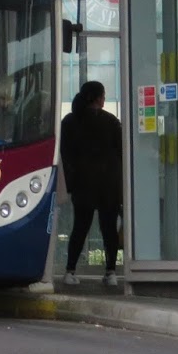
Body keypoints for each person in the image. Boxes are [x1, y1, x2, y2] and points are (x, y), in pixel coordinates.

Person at [59, 80, 123, 287]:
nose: (104, 100)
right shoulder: (111, 122)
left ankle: (70, 271)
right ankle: (111, 272)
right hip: (108, 185)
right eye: (103, 96)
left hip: (82, 184)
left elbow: (65, 154)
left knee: (80, 228)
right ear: (97, 98)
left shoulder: (69, 122)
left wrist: (71, 181)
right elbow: (121, 153)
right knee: (109, 230)